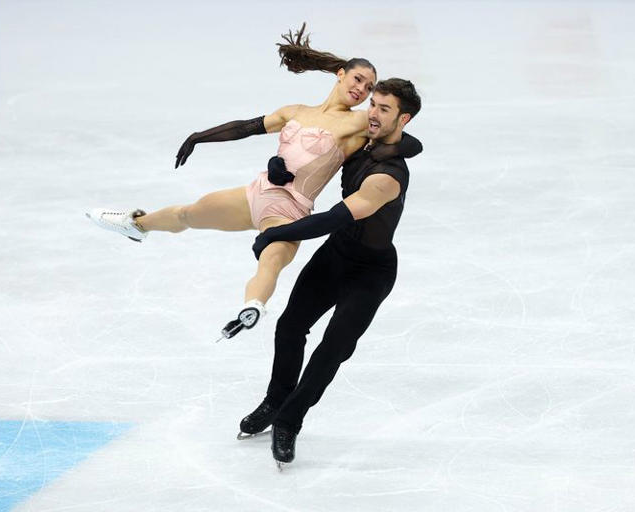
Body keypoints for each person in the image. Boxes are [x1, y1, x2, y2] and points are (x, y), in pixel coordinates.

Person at [86, 25, 376, 339]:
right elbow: (245, 128)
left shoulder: (360, 121)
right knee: (188, 213)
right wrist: (199, 137)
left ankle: (253, 306)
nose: (362, 89)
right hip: (256, 194)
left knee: (271, 260)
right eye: (358, 79)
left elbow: (399, 136)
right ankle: (136, 224)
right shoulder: (295, 111)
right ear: (341, 74)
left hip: (290, 213)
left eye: (369, 87)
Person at [238, 78, 422, 467]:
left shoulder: (388, 177)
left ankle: (289, 420)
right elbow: (314, 149)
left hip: (371, 271)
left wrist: (275, 234)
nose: (373, 113)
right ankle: (275, 400)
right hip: (336, 255)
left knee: (333, 348)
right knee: (290, 326)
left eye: (384, 109)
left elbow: (335, 217)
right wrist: (280, 167)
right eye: (373, 104)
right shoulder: (364, 142)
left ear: (403, 118)